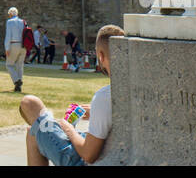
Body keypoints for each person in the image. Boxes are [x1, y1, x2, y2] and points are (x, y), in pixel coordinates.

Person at [18, 25, 123, 166]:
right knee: (35, 130)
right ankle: (45, 126)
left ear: (101, 57)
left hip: (87, 160)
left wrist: (69, 129)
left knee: (29, 106)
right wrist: (96, 113)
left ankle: (48, 125)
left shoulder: (104, 97)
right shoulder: (129, 90)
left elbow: (88, 155)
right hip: (113, 151)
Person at [4, 6, 26, 93]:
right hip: (24, 45)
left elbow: (8, 36)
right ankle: (18, 86)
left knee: (9, 64)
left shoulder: (9, 22)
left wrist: (7, 48)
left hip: (14, 44)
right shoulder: (23, 22)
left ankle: (17, 80)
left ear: (10, 14)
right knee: (20, 65)